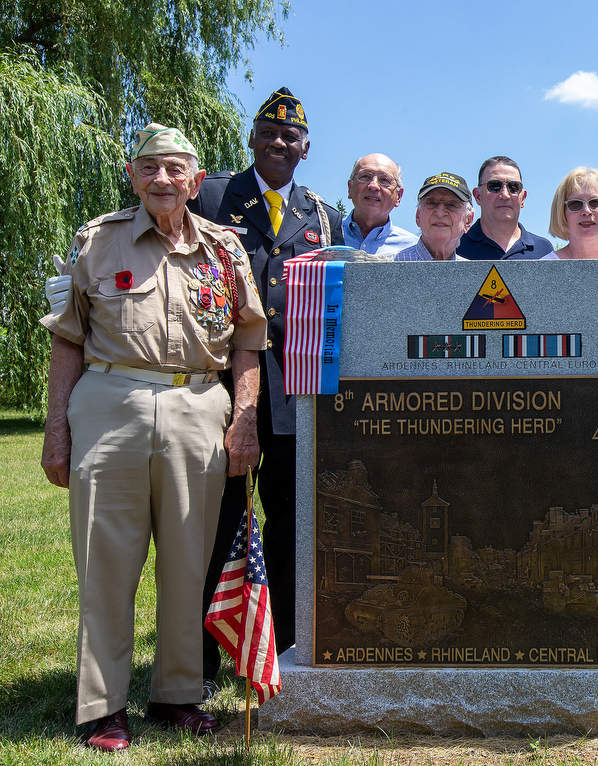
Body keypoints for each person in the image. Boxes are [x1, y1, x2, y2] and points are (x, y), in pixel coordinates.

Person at [39, 124, 266, 750]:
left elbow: (247, 341)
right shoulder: (99, 242)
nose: (162, 180)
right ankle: (103, 705)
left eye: (175, 170)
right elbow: (68, 340)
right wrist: (56, 430)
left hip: (198, 406)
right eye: (149, 169)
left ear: (195, 182)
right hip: (111, 403)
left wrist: (244, 418)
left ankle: (176, 694)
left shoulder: (224, 249)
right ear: (133, 177)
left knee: (190, 560)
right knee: (106, 559)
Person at [188, 87, 345, 695]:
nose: (279, 143)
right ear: (252, 137)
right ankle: (198, 663)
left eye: (292, 137)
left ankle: (275, 654)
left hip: (293, 393)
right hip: (222, 382)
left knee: (288, 527)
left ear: (306, 149)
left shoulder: (319, 212)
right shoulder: (211, 195)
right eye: (269, 133)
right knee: (216, 526)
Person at [457, 156, 554, 260]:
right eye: (494, 186)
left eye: (514, 187)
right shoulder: (457, 247)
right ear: (478, 196)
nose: (505, 195)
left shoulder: (544, 251)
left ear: (523, 198)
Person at [342, 153, 418, 256]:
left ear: (398, 196)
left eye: (384, 180)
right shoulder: (323, 236)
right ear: (350, 188)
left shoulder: (414, 249)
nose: (373, 186)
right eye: (365, 176)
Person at [394, 172, 475, 261]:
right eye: (431, 203)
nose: (440, 213)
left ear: (468, 220)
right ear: (418, 216)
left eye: (452, 205)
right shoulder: (388, 265)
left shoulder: (476, 273)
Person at [545, 167, 598, 259]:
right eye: (575, 204)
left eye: (595, 202)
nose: (586, 211)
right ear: (561, 212)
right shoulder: (544, 267)